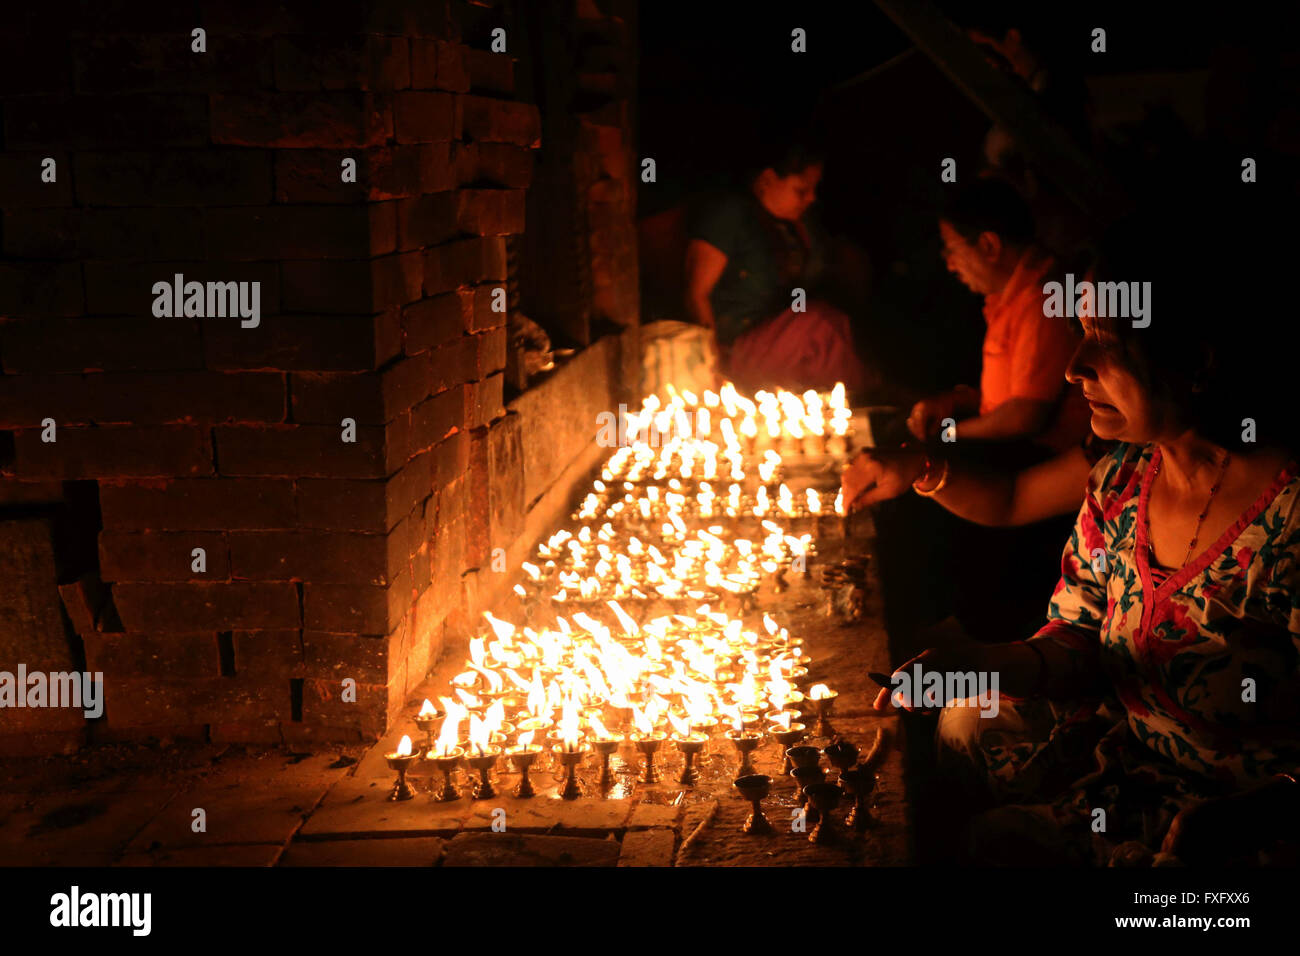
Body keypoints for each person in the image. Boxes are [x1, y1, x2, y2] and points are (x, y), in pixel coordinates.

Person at [874, 204, 1300, 866]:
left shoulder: (1290, 519)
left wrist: (1251, 818)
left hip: (1244, 819)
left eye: (1106, 342)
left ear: (1196, 358)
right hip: (1134, 765)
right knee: (971, 786)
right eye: (1078, 333)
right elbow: (1078, 640)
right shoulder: (1123, 477)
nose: (1074, 368)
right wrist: (973, 667)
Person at [908, 177, 1088, 450]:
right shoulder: (1012, 297)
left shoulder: (1042, 300)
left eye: (952, 250)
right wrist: (957, 401)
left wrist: (949, 434)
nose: (950, 265)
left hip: (1036, 456)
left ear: (989, 245)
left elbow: (1025, 416)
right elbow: (1011, 393)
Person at [683, 139, 870, 394]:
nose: (811, 198)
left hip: (785, 342)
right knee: (817, 323)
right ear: (767, 180)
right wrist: (712, 364)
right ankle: (867, 396)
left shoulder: (800, 227)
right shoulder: (730, 214)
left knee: (829, 323)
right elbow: (696, 294)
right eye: (802, 190)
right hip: (737, 349)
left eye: (814, 190)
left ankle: (853, 400)